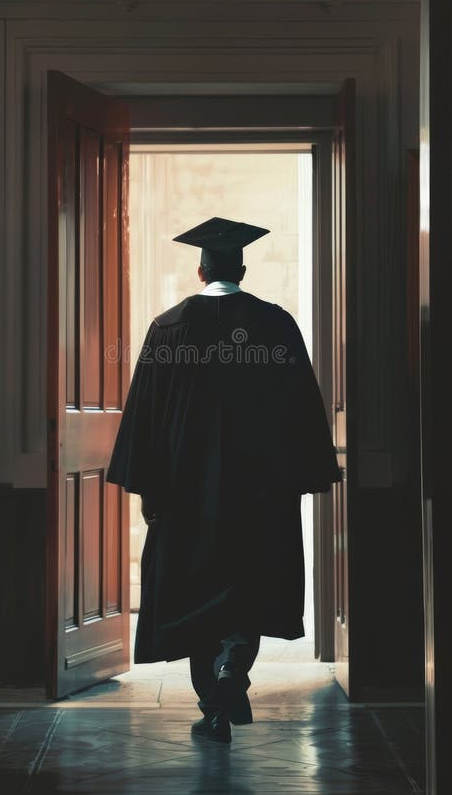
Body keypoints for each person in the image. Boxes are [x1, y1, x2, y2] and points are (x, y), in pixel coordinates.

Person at [106, 216, 342, 744]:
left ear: (200, 270)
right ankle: (234, 667)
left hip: (186, 494)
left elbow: (144, 417)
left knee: (196, 593)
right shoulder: (275, 325)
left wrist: (148, 491)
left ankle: (213, 707)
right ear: (242, 266)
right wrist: (300, 477)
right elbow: (301, 408)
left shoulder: (168, 328)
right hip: (259, 492)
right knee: (250, 583)